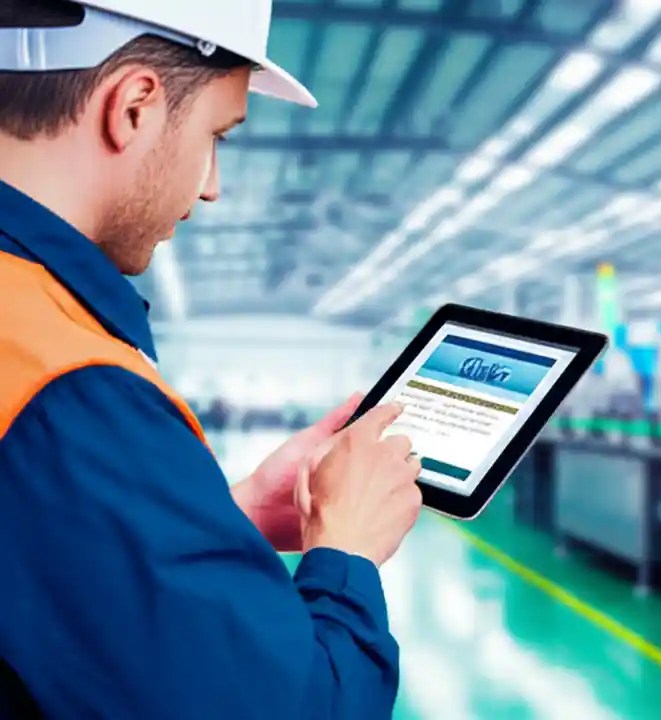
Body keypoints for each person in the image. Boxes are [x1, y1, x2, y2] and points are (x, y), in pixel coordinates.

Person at [0, 1, 424, 717]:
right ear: (133, 106)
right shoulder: (69, 385)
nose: (210, 186)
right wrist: (346, 554)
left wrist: (230, 516)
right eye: (214, 135)